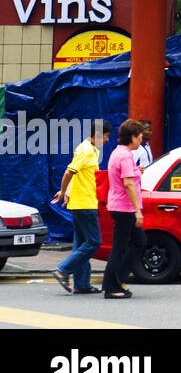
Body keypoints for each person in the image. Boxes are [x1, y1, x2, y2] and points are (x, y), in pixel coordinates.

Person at [51, 118, 112, 295]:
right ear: (98, 135)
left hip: (81, 201)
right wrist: (63, 191)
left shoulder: (89, 149)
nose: (108, 140)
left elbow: (77, 174)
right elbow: (69, 171)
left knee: (81, 244)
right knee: (94, 242)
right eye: (106, 136)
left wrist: (68, 191)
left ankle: (82, 284)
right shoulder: (86, 150)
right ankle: (62, 269)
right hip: (85, 203)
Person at [102, 120, 147, 300]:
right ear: (132, 138)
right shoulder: (125, 156)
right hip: (124, 207)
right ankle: (111, 286)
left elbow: (128, 176)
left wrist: (137, 171)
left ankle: (118, 279)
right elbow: (128, 183)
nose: (141, 140)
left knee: (139, 241)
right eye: (140, 137)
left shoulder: (119, 153)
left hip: (120, 205)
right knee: (120, 247)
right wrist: (137, 210)